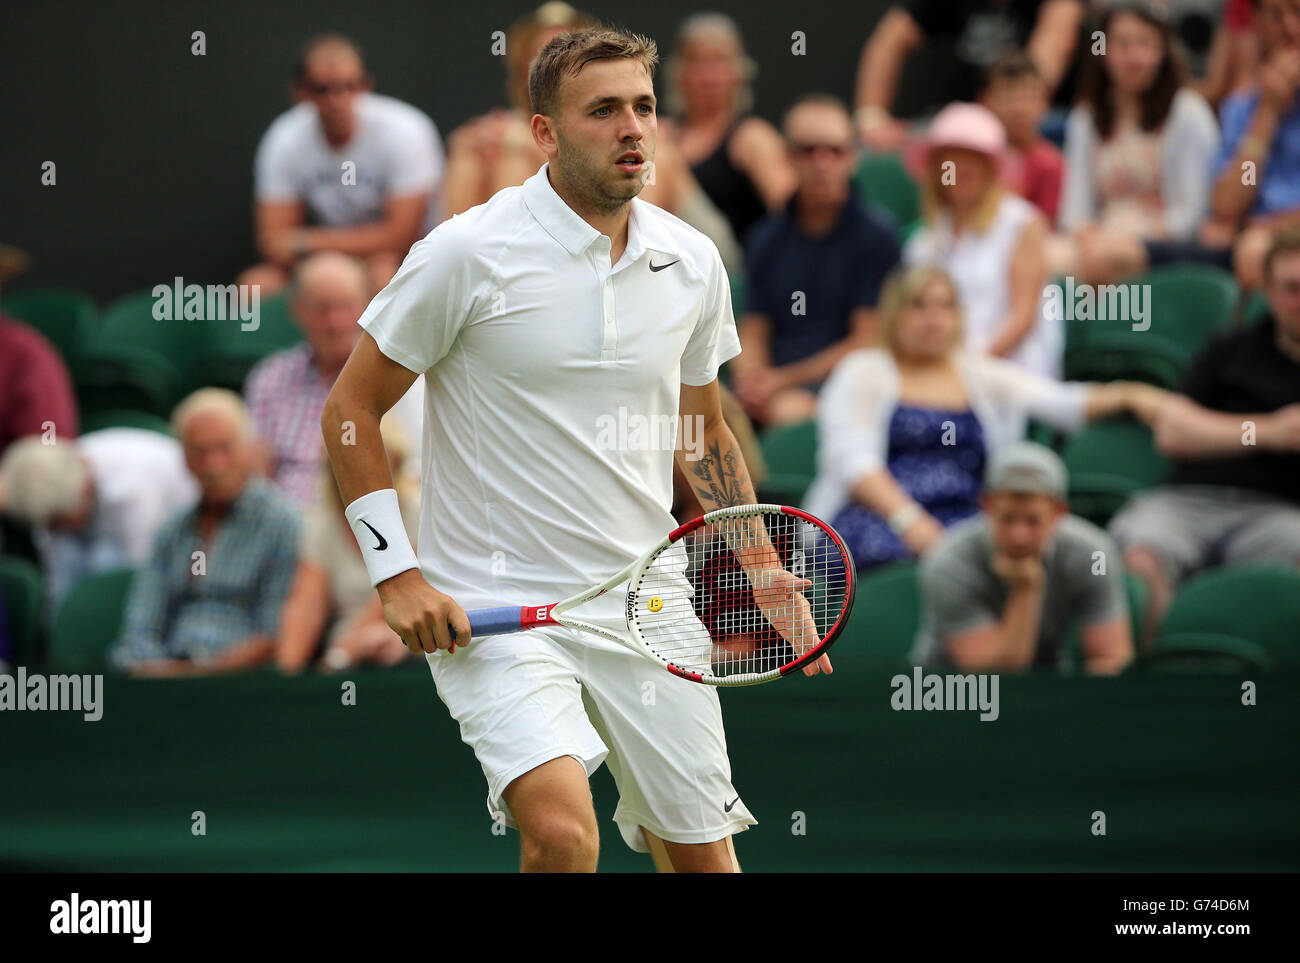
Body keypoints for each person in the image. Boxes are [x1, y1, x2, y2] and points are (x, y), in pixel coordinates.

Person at [321, 26, 823, 874]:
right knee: (562, 833)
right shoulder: (465, 253)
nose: (633, 128)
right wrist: (397, 574)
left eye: (644, 107)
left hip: (647, 605)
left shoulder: (693, 261)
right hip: (496, 604)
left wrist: (765, 568)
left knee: (706, 862)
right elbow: (349, 410)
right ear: (544, 131)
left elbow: (700, 429)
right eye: (603, 110)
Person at [803, 265, 1168, 570]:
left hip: (967, 519)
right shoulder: (862, 370)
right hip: (880, 517)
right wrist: (912, 523)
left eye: (945, 307)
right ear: (895, 313)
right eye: (919, 306)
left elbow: (1061, 402)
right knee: (884, 557)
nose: (934, 320)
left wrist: (1129, 393)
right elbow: (854, 463)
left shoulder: (978, 373)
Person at [443, 3, 743, 274]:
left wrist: (523, 143)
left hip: (697, 272)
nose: (633, 128)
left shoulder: (654, 142)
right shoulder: (493, 137)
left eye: (642, 108)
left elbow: (615, 207)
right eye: (544, 56)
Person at [1109, 226, 1300, 642]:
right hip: (1188, 503)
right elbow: (1173, 431)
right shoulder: (1231, 347)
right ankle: (1154, 686)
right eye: (1291, 288)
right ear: (1266, 290)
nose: (1299, 301)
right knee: (1140, 557)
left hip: (1280, 515)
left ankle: (1255, 696)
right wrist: (1269, 432)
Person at [731, 94, 901, 427]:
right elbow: (753, 328)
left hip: (848, 390)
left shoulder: (878, 236)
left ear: (852, 158)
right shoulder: (765, 237)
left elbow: (868, 341)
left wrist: (782, 381)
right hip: (776, 389)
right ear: (787, 158)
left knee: (787, 414)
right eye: (809, 150)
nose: (822, 163)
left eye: (835, 151)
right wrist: (753, 382)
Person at [239, 34, 446, 295]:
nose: (338, 100)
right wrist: (326, 256)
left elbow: (402, 236)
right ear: (301, 92)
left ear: (366, 86)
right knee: (254, 287)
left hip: (390, 261)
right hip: (320, 263)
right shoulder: (284, 137)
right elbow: (275, 242)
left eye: (350, 86)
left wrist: (308, 241)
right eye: (323, 89)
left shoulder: (406, 130)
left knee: (385, 276)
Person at [110, 390, 299, 677]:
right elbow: (142, 622)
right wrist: (150, 668)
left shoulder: (282, 524)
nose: (213, 464)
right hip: (168, 674)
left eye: (224, 448)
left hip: (241, 683)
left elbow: (276, 634)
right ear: (184, 459)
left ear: (248, 449)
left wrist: (201, 674)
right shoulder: (172, 530)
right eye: (200, 452)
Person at [912, 441, 1135, 675]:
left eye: (1033, 521)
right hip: (950, 695)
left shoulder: (1095, 555)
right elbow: (996, 683)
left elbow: (1112, 659)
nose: (1019, 536)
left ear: (1058, 513)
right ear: (986, 507)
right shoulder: (948, 562)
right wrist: (1025, 590)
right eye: (1007, 519)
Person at [1054, 3, 1220, 284]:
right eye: (1122, 44)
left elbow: (1194, 212)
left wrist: (1132, 235)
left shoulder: (1188, 114)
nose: (1133, 57)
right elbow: (1075, 208)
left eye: (1145, 44)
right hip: (1100, 238)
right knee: (1045, 256)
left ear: (1163, 51)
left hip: (1164, 242)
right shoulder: (1086, 118)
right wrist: (1087, 235)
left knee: (1104, 260)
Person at [243, 251, 423, 508]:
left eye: (345, 306)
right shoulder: (271, 376)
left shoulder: (396, 375)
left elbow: (415, 469)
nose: (335, 322)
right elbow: (255, 468)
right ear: (297, 311)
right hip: (284, 522)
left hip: (361, 521)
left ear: (367, 307)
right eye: (322, 308)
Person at [903, 102, 1061, 378]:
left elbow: (1023, 319)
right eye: (951, 160)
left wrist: (966, 370)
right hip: (941, 373)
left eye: (972, 158)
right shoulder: (922, 242)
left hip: (1009, 374)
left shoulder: (1022, 224)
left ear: (990, 168)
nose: (960, 169)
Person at [0, 429, 197, 619]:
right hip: (106, 543)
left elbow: (139, 575)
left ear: (82, 495)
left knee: (104, 560)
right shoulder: (49, 493)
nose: (52, 530)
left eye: (57, 521)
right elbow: (56, 582)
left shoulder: (133, 490)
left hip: (180, 552)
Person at [276, 414, 418, 674]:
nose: (365, 476)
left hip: (410, 656)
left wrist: (339, 657)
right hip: (344, 666)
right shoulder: (322, 525)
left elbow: (396, 594)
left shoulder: (419, 515)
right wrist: (287, 681)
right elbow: (306, 608)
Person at [853, 0, 1085, 151]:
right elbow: (889, 41)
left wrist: (1015, 110)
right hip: (968, 121)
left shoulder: (1060, 6)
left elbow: (1052, 50)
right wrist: (872, 117)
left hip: (1038, 126)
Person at [662, 13, 797, 248]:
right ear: (679, 74)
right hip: (666, 253)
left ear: (739, 73)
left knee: (661, 159)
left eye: (719, 61)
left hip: (723, 260)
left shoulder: (751, 137)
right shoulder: (661, 131)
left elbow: (794, 211)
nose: (707, 76)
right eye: (696, 62)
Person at [979, 52, 1065, 222]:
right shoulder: (976, 158)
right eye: (1008, 97)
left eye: (1027, 97)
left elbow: (1046, 227)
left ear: (1045, 102)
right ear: (986, 101)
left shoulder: (1051, 165)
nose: (1018, 108)